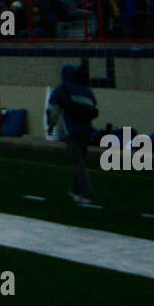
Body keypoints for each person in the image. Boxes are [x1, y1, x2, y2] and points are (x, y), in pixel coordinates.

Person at [49, 62, 98, 203]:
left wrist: (51, 125)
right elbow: (93, 105)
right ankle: (75, 190)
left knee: (78, 163)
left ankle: (85, 193)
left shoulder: (61, 90)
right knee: (80, 160)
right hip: (86, 129)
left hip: (70, 130)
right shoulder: (87, 90)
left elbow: (52, 110)